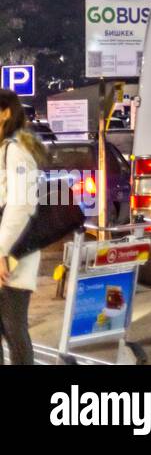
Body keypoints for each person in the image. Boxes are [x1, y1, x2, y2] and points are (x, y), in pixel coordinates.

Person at [0, 88, 47, 365]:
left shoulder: (17, 151)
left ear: (5, 112)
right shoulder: (5, 148)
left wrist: (1, 252)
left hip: (14, 253)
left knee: (14, 329)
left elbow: (20, 206)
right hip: (5, 251)